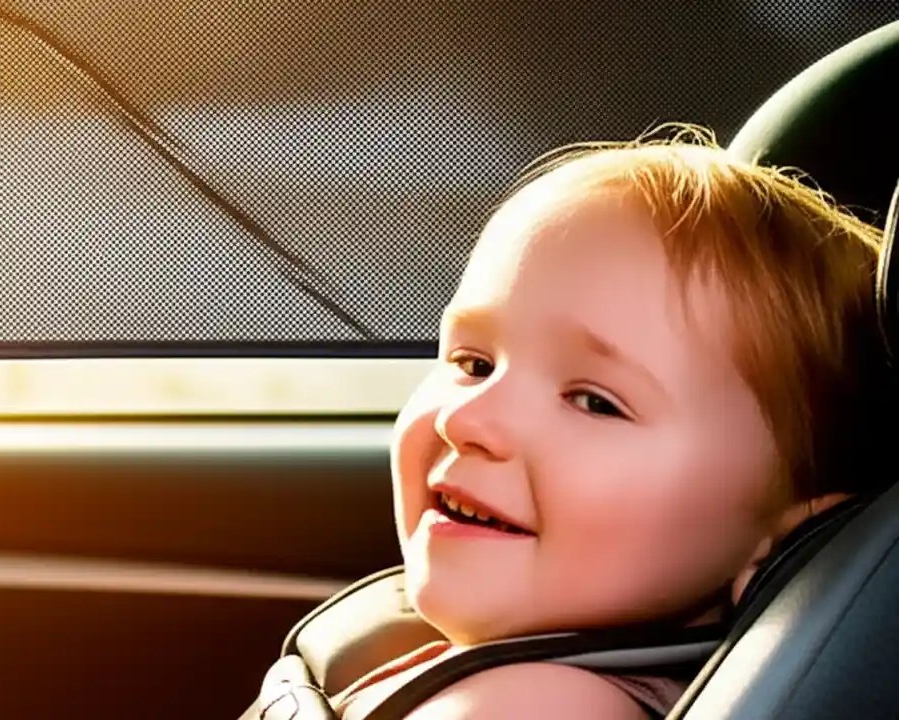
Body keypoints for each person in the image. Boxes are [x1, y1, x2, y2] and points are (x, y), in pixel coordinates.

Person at [333, 125, 888, 719]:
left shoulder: (535, 708)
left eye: (595, 402)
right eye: (474, 363)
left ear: (786, 544)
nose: (467, 419)